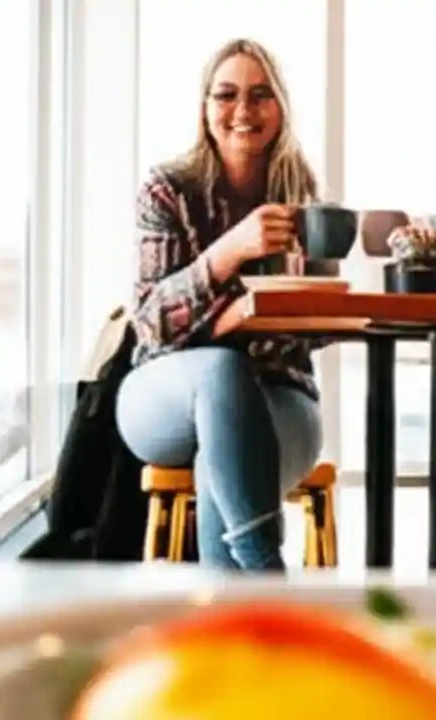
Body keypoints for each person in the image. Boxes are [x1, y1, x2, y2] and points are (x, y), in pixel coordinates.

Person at [115, 39, 323, 571]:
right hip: (162, 396)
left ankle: (236, 609)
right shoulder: (167, 190)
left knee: (223, 460)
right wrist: (229, 253)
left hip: (280, 394)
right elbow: (151, 325)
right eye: (226, 95)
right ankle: (267, 573)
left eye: (260, 95)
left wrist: (221, 318)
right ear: (205, 107)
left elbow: (312, 328)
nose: (243, 110)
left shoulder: (302, 196)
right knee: (221, 373)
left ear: (280, 107)